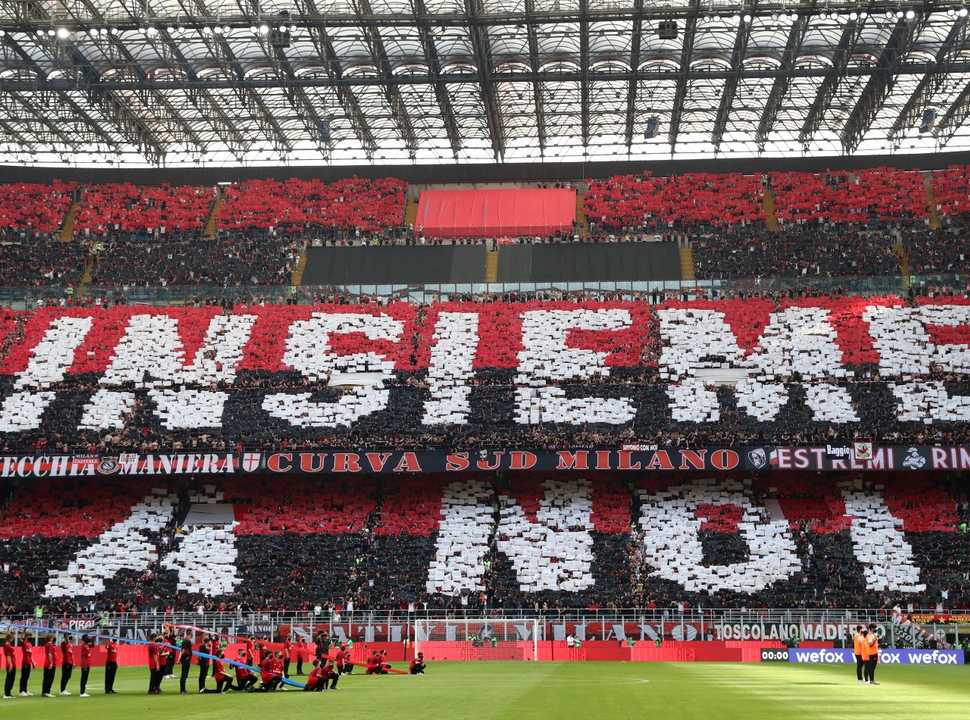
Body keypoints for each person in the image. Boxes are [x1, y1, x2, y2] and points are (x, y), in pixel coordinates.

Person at [2, 634, 16, 699]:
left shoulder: (8, 644)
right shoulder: (7, 645)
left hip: (12, 663)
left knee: (11, 679)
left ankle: (8, 693)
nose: (13, 639)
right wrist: (10, 664)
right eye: (12, 638)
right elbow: (8, 656)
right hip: (10, 664)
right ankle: (6, 694)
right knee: (9, 679)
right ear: (10, 638)